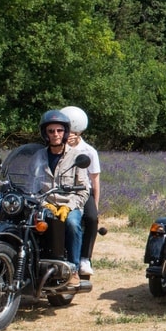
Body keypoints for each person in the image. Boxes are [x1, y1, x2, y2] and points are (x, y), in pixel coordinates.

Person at [38, 110, 90, 288]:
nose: (55, 135)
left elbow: (84, 190)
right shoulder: (38, 157)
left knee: (72, 224)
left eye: (59, 130)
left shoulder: (76, 157)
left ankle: (74, 270)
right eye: (51, 131)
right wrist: (45, 204)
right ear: (45, 133)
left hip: (70, 205)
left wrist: (68, 206)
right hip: (45, 204)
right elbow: (31, 186)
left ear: (65, 132)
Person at [61, 106, 101, 278]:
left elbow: (95, 179)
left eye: (74, 132)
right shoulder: (58, 147)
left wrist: (96, 204)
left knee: (92, 218)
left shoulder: (89, 151)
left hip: (84, 190)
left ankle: (85, 257)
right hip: (63, 188)